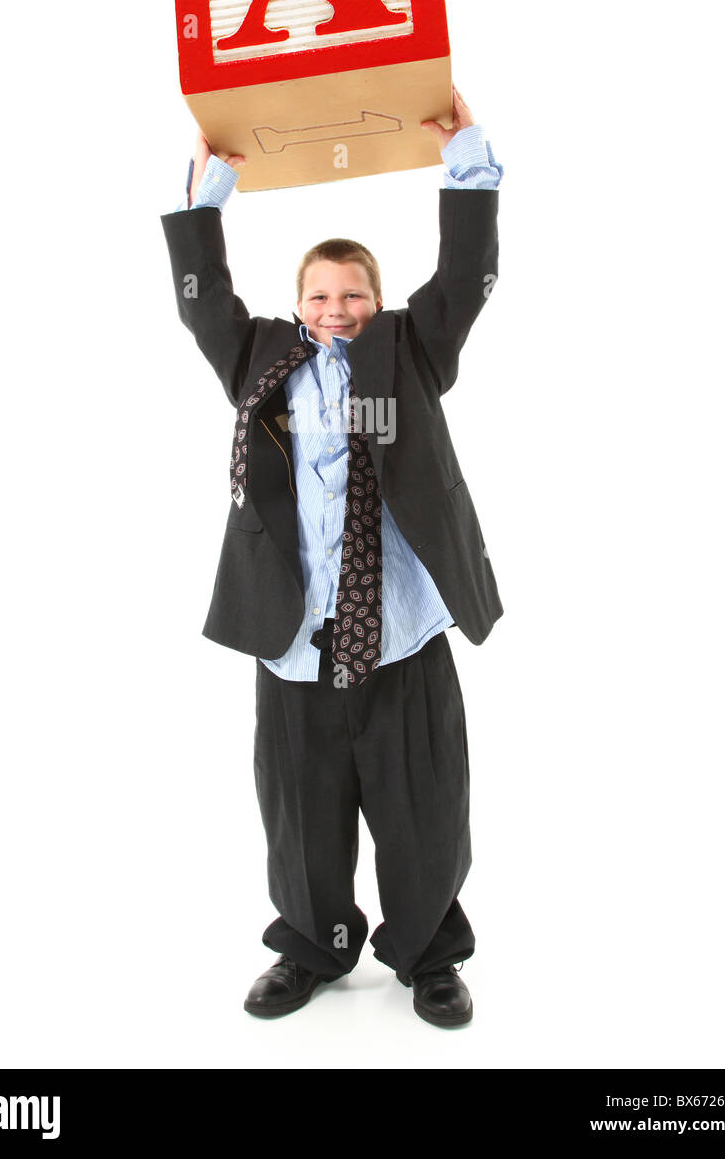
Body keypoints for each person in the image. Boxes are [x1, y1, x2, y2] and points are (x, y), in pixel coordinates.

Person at [160, 85, 504, 1027]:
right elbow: (202, 305)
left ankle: (429, 954)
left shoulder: (410, 351)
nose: (338, 307)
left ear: (378, 301)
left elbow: (469, 275)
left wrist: (464, 157)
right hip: (295, 637)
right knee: (301, 819)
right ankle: (312, 949)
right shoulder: (260, 358)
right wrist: (204, 200)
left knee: (425, 812)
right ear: (299, 302)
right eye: (321, 293)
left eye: (354, 293)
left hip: (398, 636)